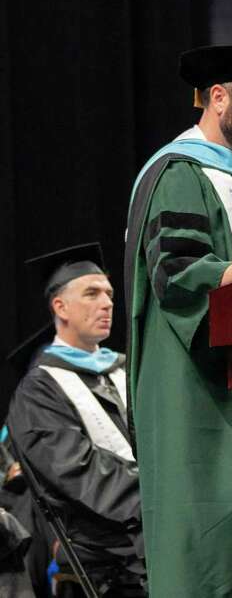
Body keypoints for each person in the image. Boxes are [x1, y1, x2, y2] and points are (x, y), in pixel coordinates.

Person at [124, 43, 232, 596]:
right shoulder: (177, 172)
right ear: (218, 98)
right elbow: (174, 271)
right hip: (194, 388)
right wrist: (229, 272)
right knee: (203, 550)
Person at [6, 245, 144, 596]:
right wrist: (163, 491)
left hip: (155, 543)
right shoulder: (38, 391)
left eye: (110, 294)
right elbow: (77, 471)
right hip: (105, 567)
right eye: (92, 293)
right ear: (60, 306)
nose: (107, 303)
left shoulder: (127, 369)